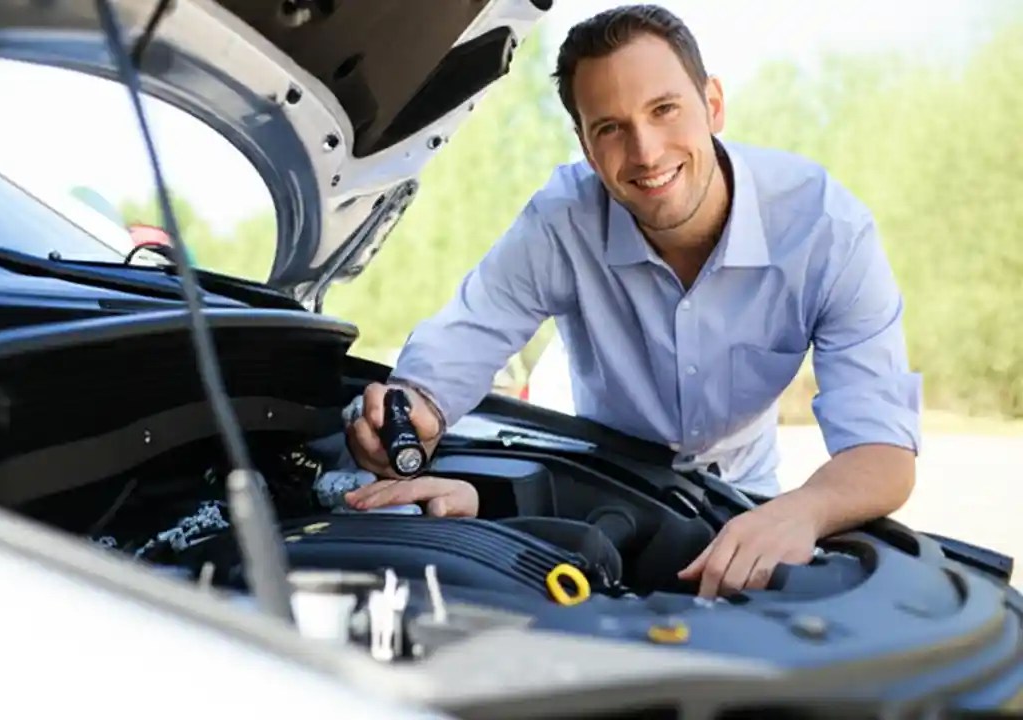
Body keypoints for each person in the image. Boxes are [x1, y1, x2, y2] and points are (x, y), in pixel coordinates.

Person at [342, 4, 921, 599]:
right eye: (611, 128)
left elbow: (883, 450)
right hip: (597, 478)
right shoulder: (561, 222)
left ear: (713, 105)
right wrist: (414, 413)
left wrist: (802, 511)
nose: (645, 152)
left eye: (664, 109)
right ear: (586, 146)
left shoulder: (826, 230)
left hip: (741, 492)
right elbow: (461, 344)